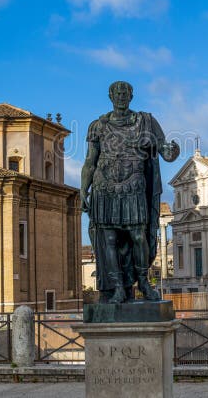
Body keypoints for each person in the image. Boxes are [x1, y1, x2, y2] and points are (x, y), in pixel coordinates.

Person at [81, 81, 180, 303]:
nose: (121, 96)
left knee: (138, 236)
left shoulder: (147, 122)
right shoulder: (97, 126)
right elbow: (90, 161)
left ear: (131, 96)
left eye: (125, 93)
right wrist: (82, 190)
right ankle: (117, 288)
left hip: (134, 186)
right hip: (104, 188)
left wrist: (172, 150)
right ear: (110, 96)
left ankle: (143, 282)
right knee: (109, 239)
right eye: (117, 93)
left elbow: (165, 151)